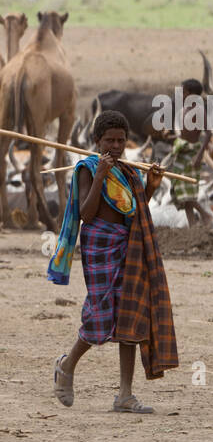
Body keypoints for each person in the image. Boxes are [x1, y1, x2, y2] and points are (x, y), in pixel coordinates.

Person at [48, 110, 179, 412]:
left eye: (121, 140)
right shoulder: (87, 168)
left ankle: (125, 395)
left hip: (127, 246)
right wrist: (101, 176)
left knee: (129, 318)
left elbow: (134, 211)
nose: (117, 146)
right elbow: (87, 213)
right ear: (97, 141)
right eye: (110, 140)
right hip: (99, 247)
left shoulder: (130, 171)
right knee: (98, 316)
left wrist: (151, 186)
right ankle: (67, 366)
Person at [167, 79, 213, 228]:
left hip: (192, 152)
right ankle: (192, 226)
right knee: (179, 188)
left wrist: (200, 155)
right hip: (182, 150)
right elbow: (184, 133)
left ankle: (205, 215)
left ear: (189, 93)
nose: (180, 94)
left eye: (182, 91)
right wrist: (171, 136)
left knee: (185, 189)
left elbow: (208, 133)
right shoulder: (184, 109)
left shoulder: (199, 110)